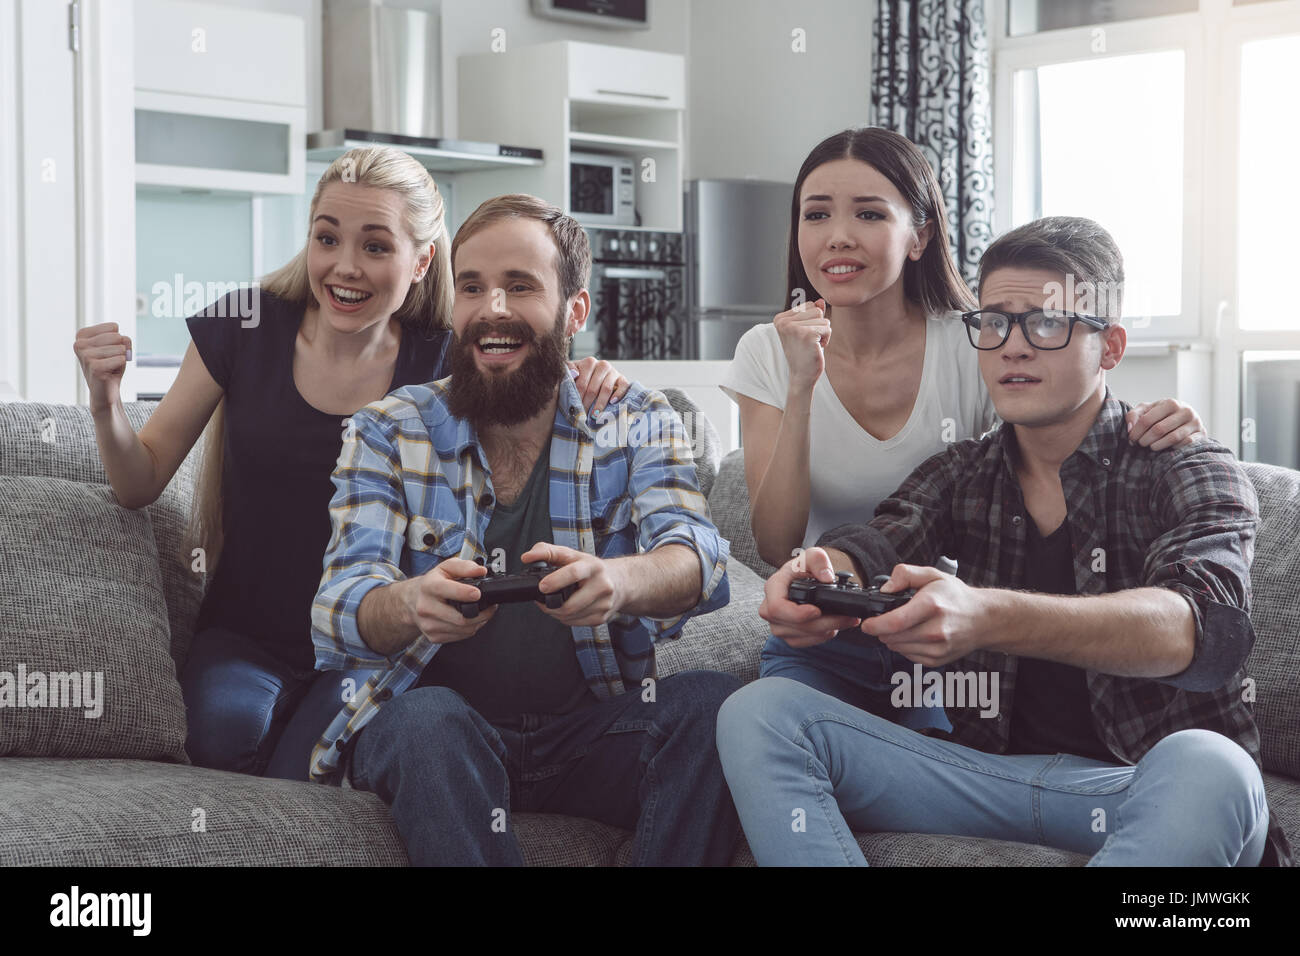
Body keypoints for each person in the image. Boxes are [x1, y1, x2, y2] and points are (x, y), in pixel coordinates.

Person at [715, 216, 1292, 867]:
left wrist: (988, 615)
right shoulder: (964, 472)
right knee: (760, 714)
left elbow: (1196, 632)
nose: (1012, 346)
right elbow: (880, 539)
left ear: (1110, 347)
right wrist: (823, 571)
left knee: (1213, 766)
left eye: (1046, 323)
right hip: (991, 781)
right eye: (992, 322)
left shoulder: (1185, 465)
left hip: (1146, 787)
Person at [72, 146, 629, 781]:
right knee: (222, 742)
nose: (345, 267)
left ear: (422, 262)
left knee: (308, 774)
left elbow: (537, 387)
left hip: (380, 645)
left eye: (375, 246)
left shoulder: (448, 358)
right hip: (247, 635)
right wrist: (106, 402)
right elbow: (138, 481)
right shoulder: (243, 324)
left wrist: (588, 369)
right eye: (327, 238)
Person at [307, 194, 741, 866]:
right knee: (426, 719)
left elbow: (700, 559)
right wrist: (413, 602)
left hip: (591, 738)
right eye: (473, 287)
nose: (493, 310)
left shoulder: (639, 418)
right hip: (443, 739)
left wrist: (618, 582)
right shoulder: (388, 428)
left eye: (520, 286)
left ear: (575, 311)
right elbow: (338, 608)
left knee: (714, 707)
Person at [721, 127, 1205, 728]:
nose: (838, 236)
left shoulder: (977, 338)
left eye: (870, 213)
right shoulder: (767, 351)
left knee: (919, 758)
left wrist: (1160, 420)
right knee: (762, 727)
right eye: (815, 214)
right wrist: (800, 386)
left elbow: (1060, 423)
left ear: (919, 236)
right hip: (826, 623)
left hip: (945, 634)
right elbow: (775, 544)